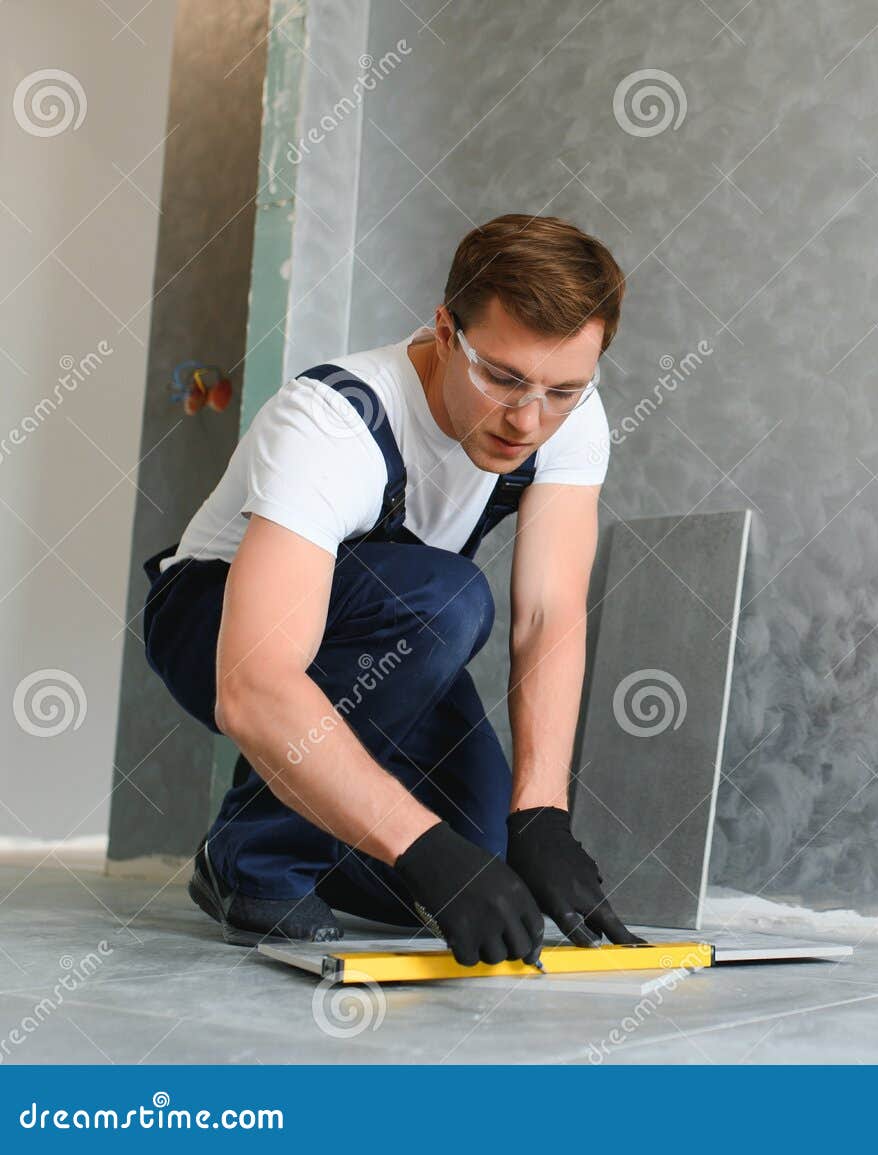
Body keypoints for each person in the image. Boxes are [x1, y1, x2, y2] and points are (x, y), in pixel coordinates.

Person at [140, 214, 639, 968]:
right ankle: (251, 856)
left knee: (483, 850)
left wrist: (540, 814)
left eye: (563, 389)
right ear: (446, 331)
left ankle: (325, 830)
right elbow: (254, 686)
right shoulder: (331, 423)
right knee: (447, 601)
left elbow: (546, 615)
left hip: (391, 641)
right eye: (502, 377)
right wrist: (418, 845)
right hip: (214, 625)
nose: (529, 418)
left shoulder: (567, 415)